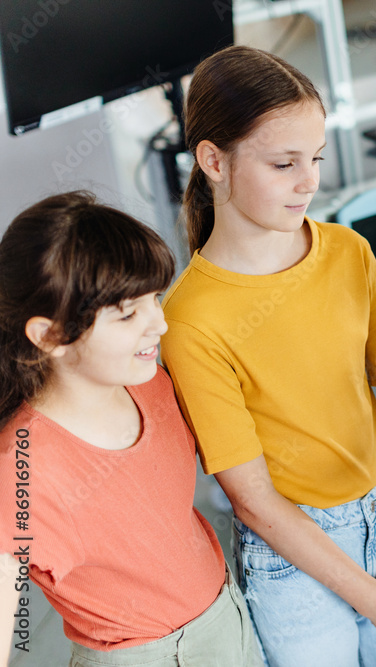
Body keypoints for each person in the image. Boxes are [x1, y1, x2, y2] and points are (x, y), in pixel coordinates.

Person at [159, 45, 376, 667]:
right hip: (295, 562)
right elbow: (254, 499)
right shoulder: (190, 319)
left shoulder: (349, 252)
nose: (310, 181)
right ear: (213, 160)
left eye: (314, 158)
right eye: (284, 163)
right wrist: (372, 598)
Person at [0, 192, 262, 666]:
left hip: (226, 616)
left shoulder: (150, 384)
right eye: (127, 314)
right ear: (49, 336)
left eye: (155, 299)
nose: (159, 323)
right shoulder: (21, 468)